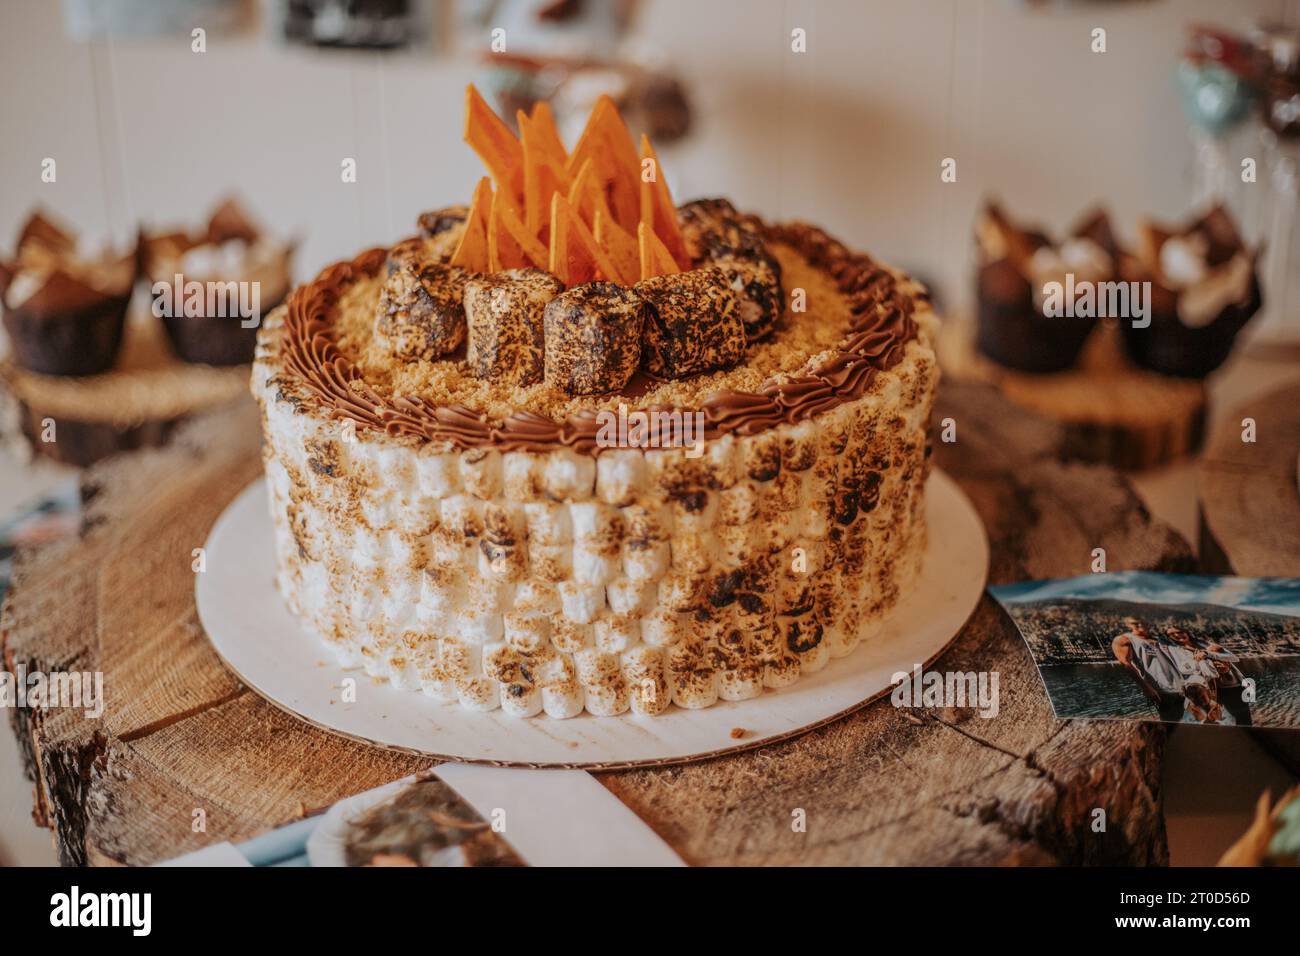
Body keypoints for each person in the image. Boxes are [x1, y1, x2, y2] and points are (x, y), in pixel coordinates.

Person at [1165, 624, 1251, 726]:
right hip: (1208, 689)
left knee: (1243, 718)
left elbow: (1234, 658)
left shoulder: (1206, 644)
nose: (1176, 635)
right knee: (1214, 719)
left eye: (1179, 631)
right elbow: (1185, 669)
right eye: (1171, 634)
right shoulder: (1177, 652)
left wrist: (1208, 654)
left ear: (1186, 631)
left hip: (1230, 685)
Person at [1112, 617, 1185, 722]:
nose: (1140, 624)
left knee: (1179, 720)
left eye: (1143, 620)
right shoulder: (1124, 639)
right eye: (1136, 622)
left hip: (1181, 688)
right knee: (1169, 722)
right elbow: (1126, 664)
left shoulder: (1160, 639)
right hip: (1161, 690)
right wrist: (1146, 688)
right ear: (1128, 624)